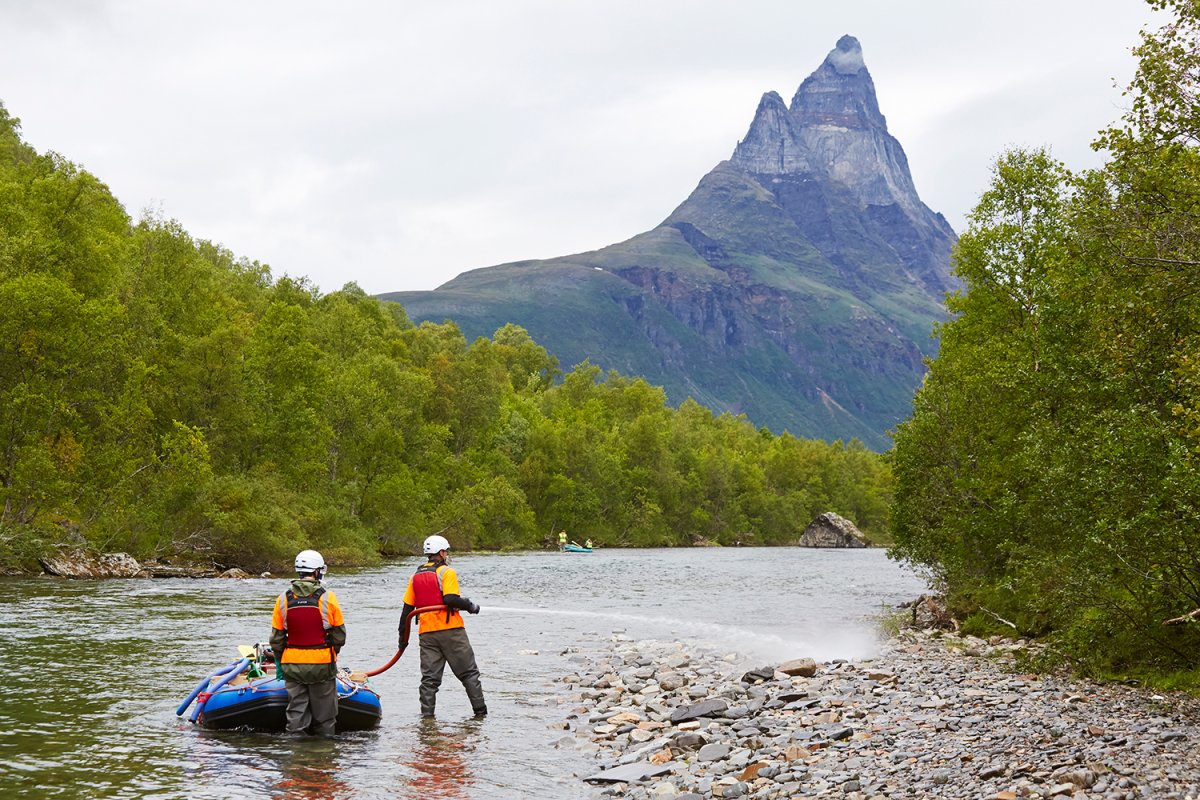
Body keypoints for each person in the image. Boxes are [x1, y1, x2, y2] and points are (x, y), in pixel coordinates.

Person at [398, 535, 486, 719]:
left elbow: (407, 611)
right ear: (441, 552)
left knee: (429, 681)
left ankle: (427, 720)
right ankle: (480, 715)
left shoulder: (415, 576)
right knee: (469, 674)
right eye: (445, 551)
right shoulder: (447, 572)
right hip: (451, 631)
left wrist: (402, 640)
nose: (446, 555)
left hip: (427, 634)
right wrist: (470, 606)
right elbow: (450, 599)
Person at [270, 549, 346, 736]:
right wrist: (331, 654)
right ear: (317, 571)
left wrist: (282, 660)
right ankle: (323, 755)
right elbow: (340, 636)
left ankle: (296, 757)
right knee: (326, 718)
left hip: (292, 665)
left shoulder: (283, 599)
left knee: (296, 714)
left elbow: (276, 639)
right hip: (322, 664)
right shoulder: (328, 597)